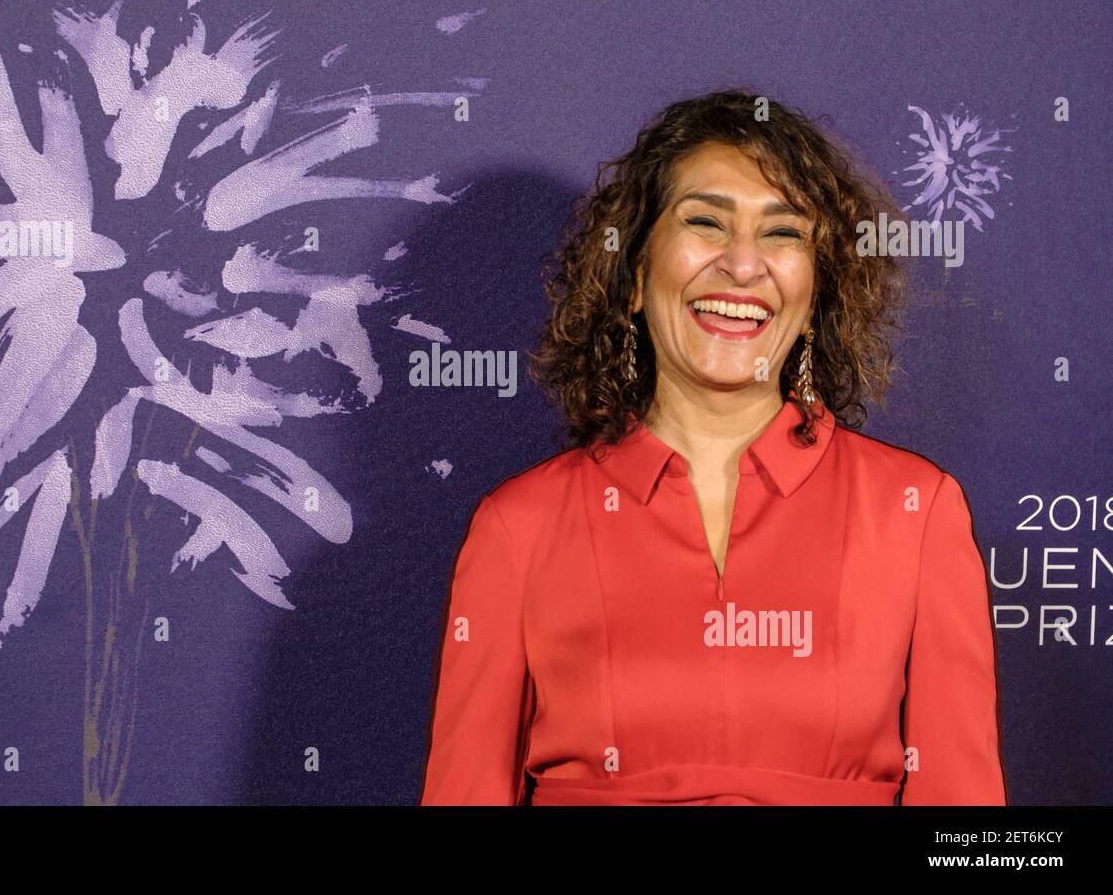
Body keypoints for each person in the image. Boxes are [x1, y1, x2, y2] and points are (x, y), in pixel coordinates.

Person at [418, 89, 1008, 806]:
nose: (742, 264)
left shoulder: (916, 516)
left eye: (783, 234)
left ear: (817, 286)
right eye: (705, 222)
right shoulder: (520, 527)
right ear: (633, 274)